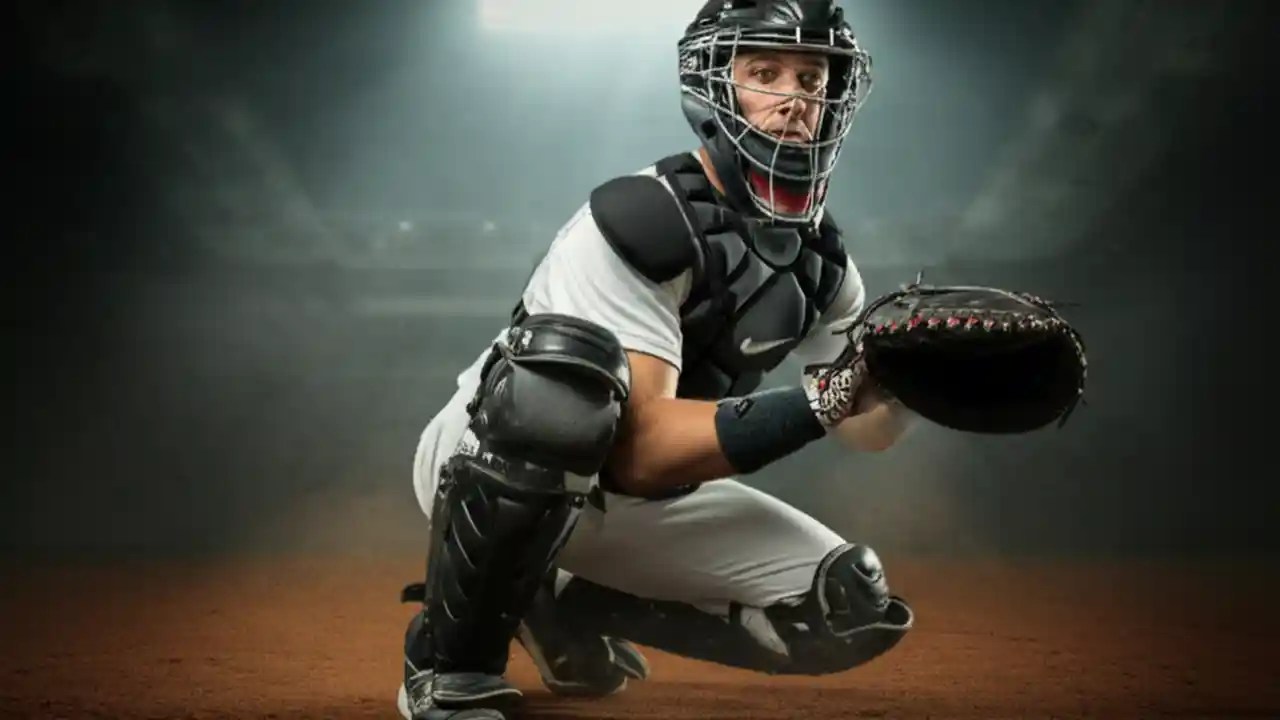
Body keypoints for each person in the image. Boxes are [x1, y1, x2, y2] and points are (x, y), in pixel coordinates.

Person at [396, 2, 917, 719]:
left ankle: (559, 604)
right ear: (712, 86)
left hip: (638, 502)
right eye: (764, 73)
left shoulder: (825, 265)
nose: (795, 98)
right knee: (561, 395)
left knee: (848, 606)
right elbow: (639, 450)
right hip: (493, 462)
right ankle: (450, 665)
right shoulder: (642, 219)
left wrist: (911, 378)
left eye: (812, 76)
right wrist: (823, 402)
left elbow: (869, 431)